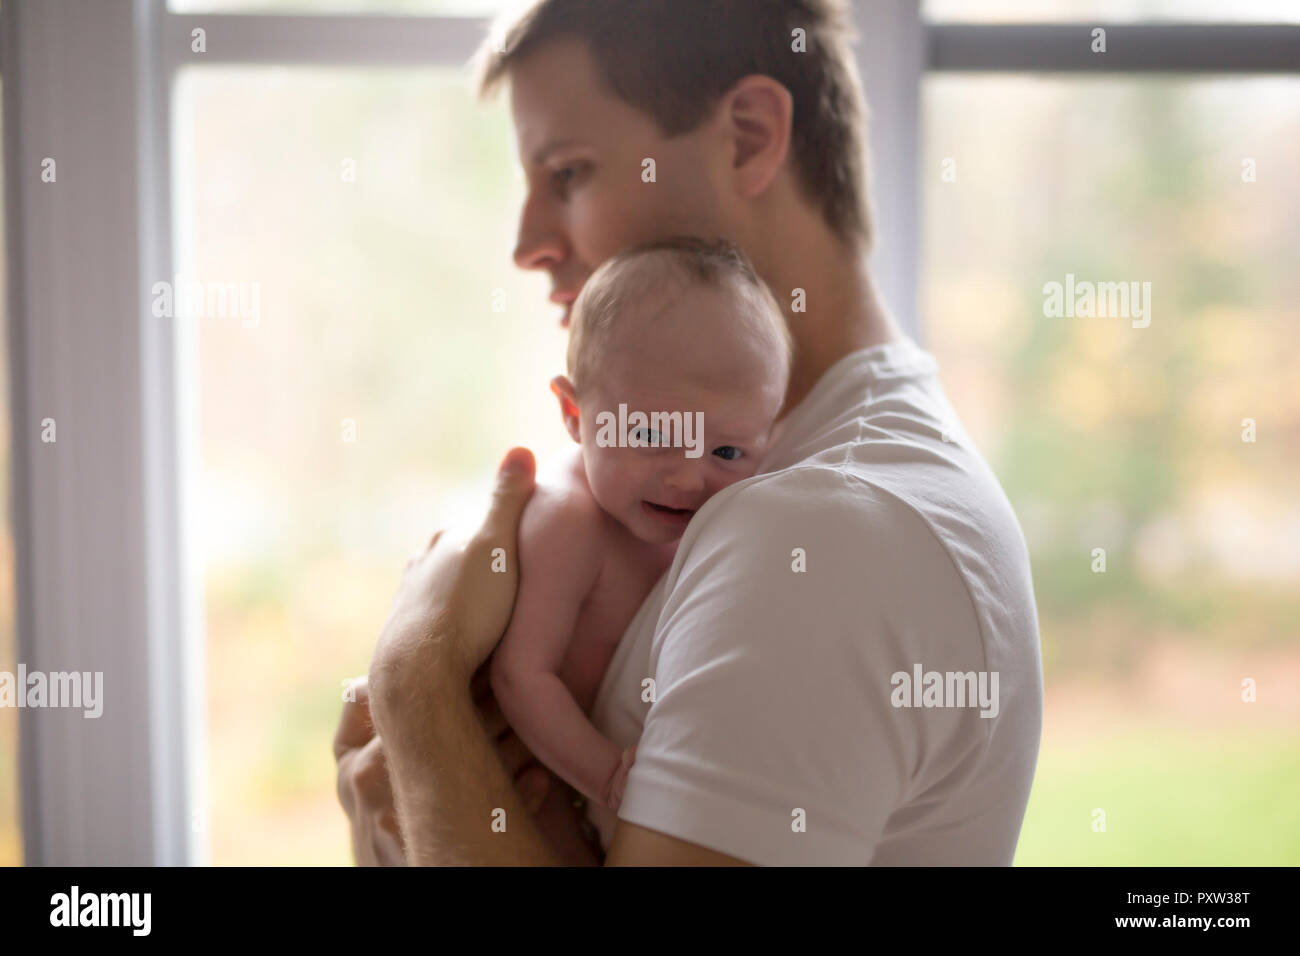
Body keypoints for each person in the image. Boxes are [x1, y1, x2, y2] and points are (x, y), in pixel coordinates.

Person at [335, 0, 1043, 866]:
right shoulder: (735, 482)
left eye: (568, 172)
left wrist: (417, 689)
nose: (526, 243)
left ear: (747, 135)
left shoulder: (818, 534)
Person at [490, 237, 792, 815]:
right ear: (575, 415)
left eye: (727, 452)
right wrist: (607, 777)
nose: (685, 481)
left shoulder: (703, 515)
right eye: (651, 436)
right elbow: (521, 676)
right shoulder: (569, 523)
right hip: (538, 782)